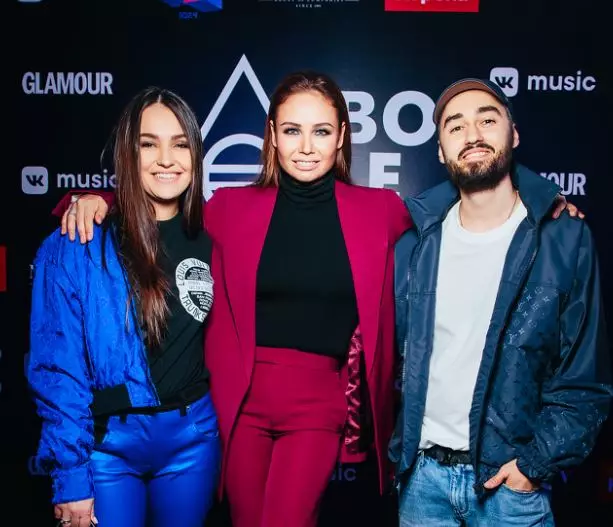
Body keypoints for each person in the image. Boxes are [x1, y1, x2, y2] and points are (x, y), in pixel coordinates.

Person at [53, 73, 580, 527]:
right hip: (238, 409)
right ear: (273, 138)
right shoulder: (231, 209)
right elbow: (165, 206)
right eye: (292, 131)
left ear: (341, 137)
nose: (306, 147)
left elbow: (472, 186)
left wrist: (542, 195)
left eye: (321, 132)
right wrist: (98, 200)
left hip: (317, 408)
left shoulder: (379, 210)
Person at [390, 78, 612, 526]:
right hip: (423, 484)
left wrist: (533, 467)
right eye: (455, 127)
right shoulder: (413, 244)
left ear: (512, 134)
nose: (471, 134)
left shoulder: (565, 240)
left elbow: (584, 379)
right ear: (440, 151)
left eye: (486, 120)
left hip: (509, 488)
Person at [27, 87, 221, 527]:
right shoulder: (77, 243)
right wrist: (71, 478)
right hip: (107, 444)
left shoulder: (218, 232)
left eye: (180, 144)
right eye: (148, 144)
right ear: (125, 156)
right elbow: (58, 369)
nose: (166, 159)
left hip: (193, 438)